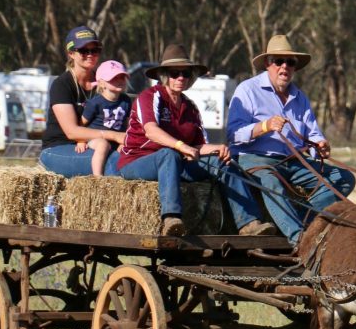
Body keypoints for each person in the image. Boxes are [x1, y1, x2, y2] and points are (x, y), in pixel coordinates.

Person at [118, 44, 277, 237]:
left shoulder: (190, 107)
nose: (180, 78)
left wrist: (218, 148)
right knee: (169, 154)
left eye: (185, 73)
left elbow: (198, 145)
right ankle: (171, 218)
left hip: (177, 161)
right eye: (175, 73)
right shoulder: (150, 96)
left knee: (223, 162)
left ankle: (249, 223)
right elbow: (151, 131)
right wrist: (180, 145)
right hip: (139, 160)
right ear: (164, 75)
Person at [227, 34, 355, 245]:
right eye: (279, 61)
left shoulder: (300, 97)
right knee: (270, 182)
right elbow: (233, 134)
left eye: (290, 62)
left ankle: (305, 220)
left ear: (295, 67)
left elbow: (313, 134)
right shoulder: (247, 90)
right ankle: (300, 241)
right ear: (268, 64)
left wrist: (320, 147)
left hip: (293, 161)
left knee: (344, 178)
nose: (284, 66)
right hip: (256, 159)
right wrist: (264, 126)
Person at [39, 26, 125, 176]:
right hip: (58, 148)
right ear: (71, 53)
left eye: (95, 50)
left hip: (96, 145)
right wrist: (115, 136)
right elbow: (72, 132)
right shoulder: (62, 84)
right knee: (112, 161)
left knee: (127, 157)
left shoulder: (105, 82)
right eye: (84, 50)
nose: (90, 55)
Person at [78, 60, 132, 176]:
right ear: (101, 83)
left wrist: (125, 142)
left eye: (122, 77)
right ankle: (98, 178)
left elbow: (128, 125)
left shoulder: (126, 100)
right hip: (95, 139)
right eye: (114, 78)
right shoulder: (95, 103)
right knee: (103, 145)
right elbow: (81, 124)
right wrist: (80, 140)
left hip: (117, 139)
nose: (120, 80)